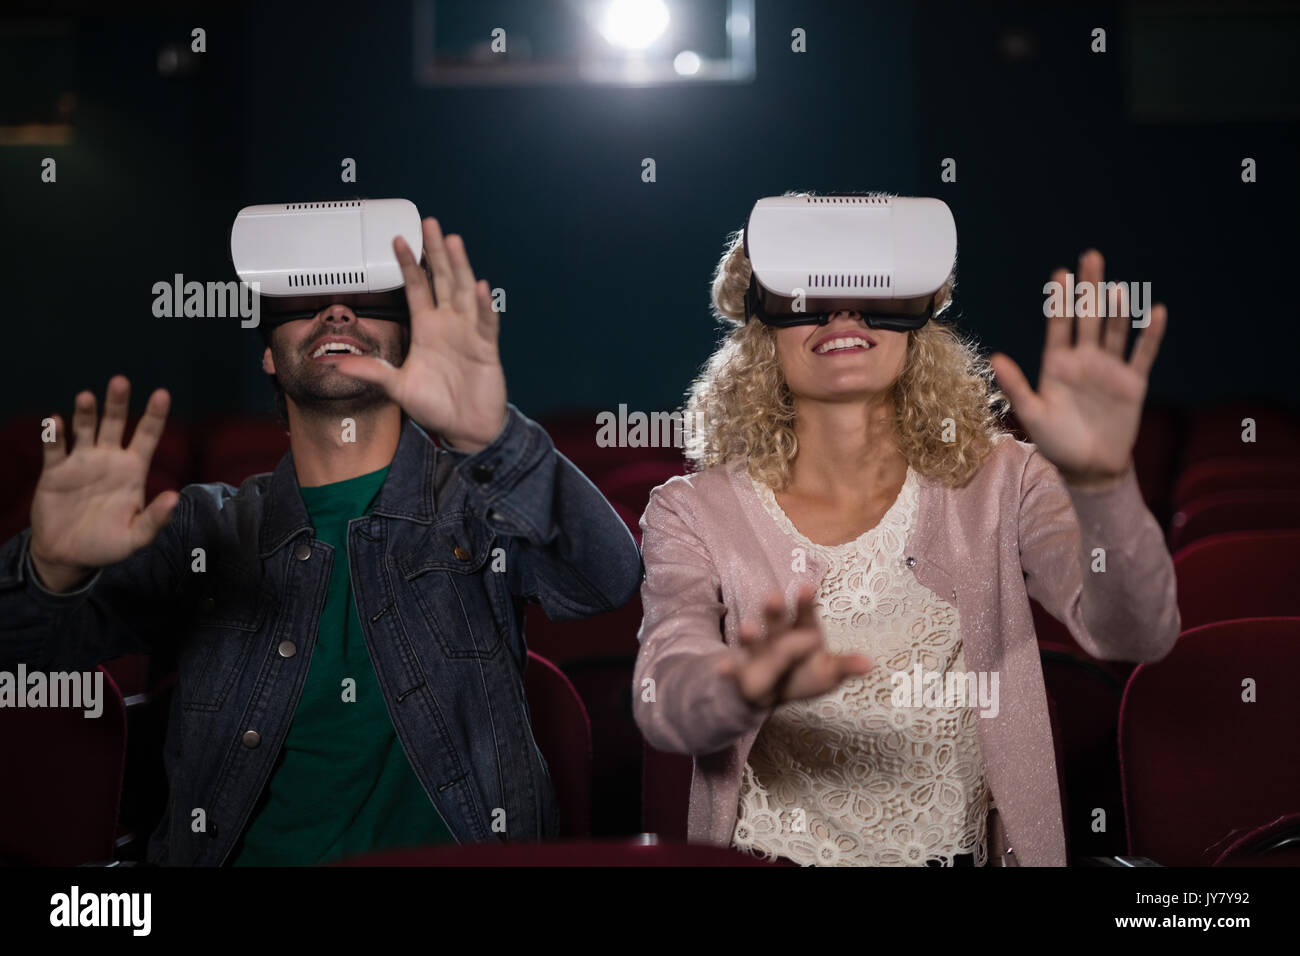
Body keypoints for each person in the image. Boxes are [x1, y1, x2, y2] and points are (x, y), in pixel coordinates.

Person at [0, 216, 642, 865]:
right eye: (300, 299)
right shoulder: (201, 529)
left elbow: (607, 580)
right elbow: (19, 658)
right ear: (269, 354)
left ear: (408, 339)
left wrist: (493, 440)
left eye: (367, 298)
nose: (336, 309)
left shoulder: (479, 504)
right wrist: (48, 570)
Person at [632, 211, 1179, 867]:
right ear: (763, 329)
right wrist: (738, 685)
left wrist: (1102, 485)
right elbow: (662, 695)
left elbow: (1135, 634)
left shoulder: (1004, 481)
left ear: (918, 317)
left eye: (876, 292)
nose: (844, 313)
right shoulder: (693, 512)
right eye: (807, 297)